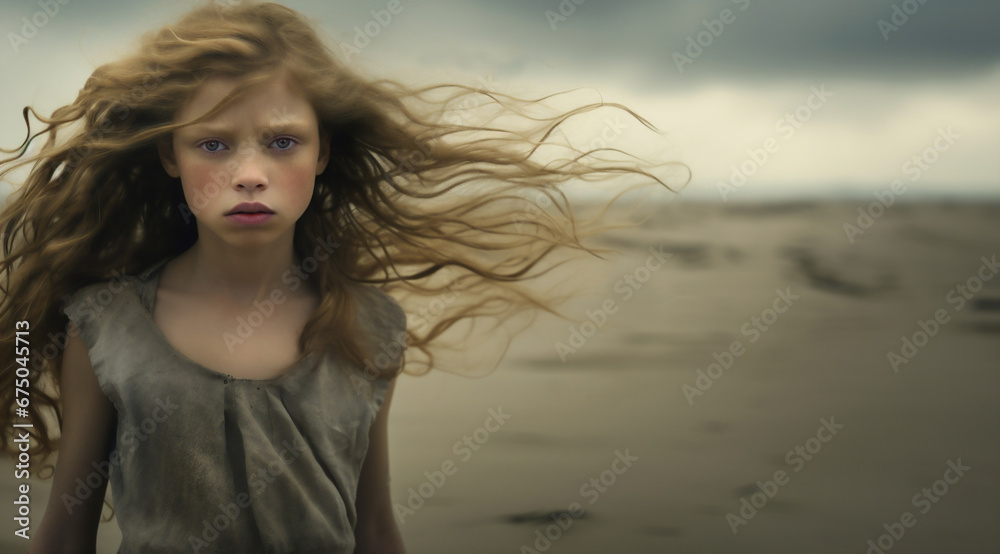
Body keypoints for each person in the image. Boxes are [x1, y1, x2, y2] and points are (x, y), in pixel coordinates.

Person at [0, 1, 686, 552]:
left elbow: (375, 528)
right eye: (213, 143)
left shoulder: (367, 326)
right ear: (169, 155)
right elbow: (61, 532)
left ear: (323, 150)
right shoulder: (105, 324)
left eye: (281, 141)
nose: (248, 172)